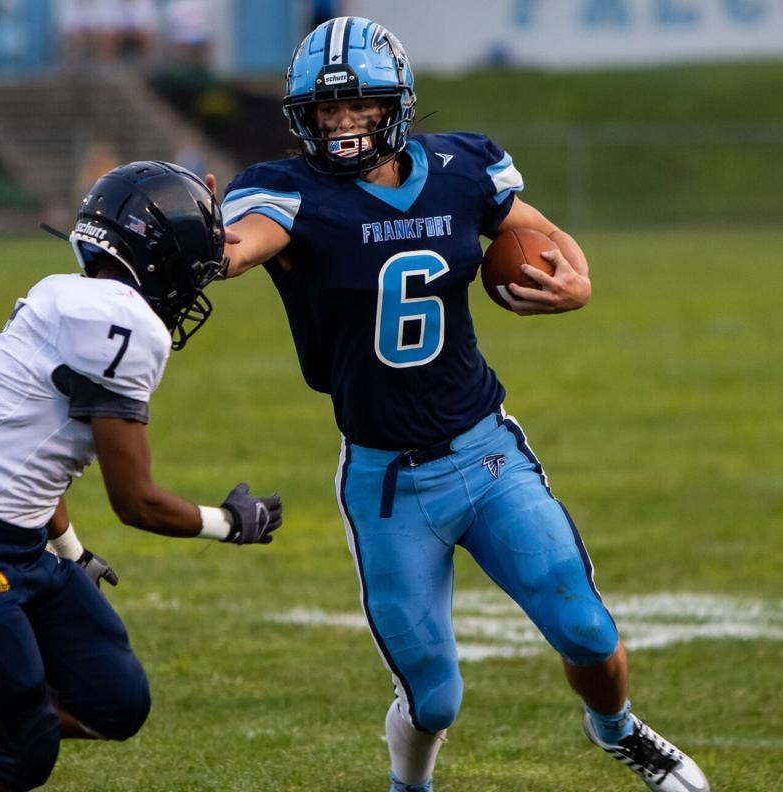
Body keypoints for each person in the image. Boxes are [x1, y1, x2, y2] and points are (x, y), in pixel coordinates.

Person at [215, 16, 709, 792]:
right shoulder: (288, 190)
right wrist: (202, 248)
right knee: (434, 699)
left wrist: (577, 278)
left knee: (586, 628)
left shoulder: (461, 166)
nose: (341, 123)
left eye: (358, 106)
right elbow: (244, 243)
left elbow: (538, 229)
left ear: (396, 106)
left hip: (486, 452)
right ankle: (409, 786)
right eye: (324, 111)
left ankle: (617, 730)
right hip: (386, 485)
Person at [0, 161, 283, 792]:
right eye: (194, 257)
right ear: (159, 256)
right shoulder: (126, 325)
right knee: (25, 751)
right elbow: (135, 502)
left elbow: (35, 453)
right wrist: (230, 524)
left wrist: (71, 552)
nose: (199, 276)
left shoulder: (63, 292)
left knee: (116, 701)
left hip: (18, 542)